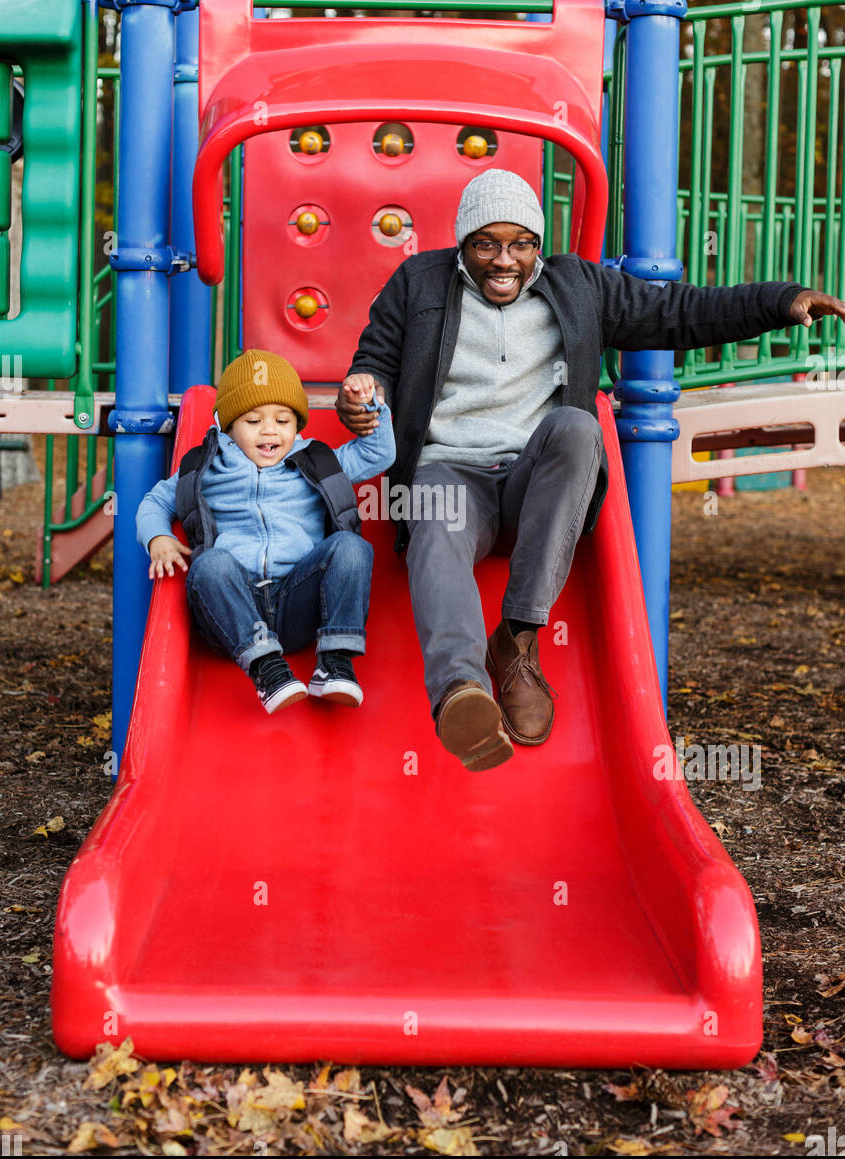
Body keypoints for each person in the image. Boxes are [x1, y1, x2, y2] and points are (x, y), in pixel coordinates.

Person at [337, 167, 845, 772]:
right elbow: (375, 361)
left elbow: (677, 312)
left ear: (538, 246)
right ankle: (460, 691)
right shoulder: (418, 282)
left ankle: (517, 641)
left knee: (579, 429)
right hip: (451, 472)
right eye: (486, 244)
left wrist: (778, 302)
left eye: (521, 244)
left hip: (535, 480)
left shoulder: (577, 284)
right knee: (432, 508)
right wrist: (360, 394)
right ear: (462, 244)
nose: (505, 260)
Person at [136, 349, 394, 714]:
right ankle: (267, 670)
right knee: (210, 565)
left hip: (300, 601)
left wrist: (369, 406)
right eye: (254, 421)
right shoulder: (207, 467)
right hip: (233, 607)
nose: (270, 430)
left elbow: (377, 454)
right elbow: (155, 502)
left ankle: (334, 661)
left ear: (297, 425)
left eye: (283, 420)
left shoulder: (314, 461)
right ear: (227, 427)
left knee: (351, 547)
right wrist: (158, 538)